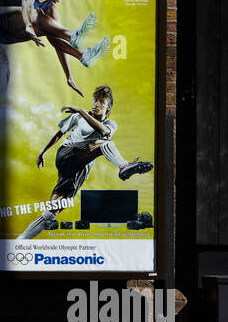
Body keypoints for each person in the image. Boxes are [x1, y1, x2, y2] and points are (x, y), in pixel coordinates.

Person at [19, 84, 153, 240]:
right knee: (105, 143)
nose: (97, 104)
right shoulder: (78, 117)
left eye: (102, 101)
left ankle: (20, 241)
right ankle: (124, 166)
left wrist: (80, 111)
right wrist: (42, 152)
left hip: (77, 171)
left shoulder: (111, 124)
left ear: (108, 107)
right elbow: (59, 133)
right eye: (95, 100)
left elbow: (104, 131)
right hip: (67, 154)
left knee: (51, 212)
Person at [0, 0, 110, 98]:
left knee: (53, 31)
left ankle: (82, 55)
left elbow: (57, 43)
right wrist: (29, 24)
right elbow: (27, 1)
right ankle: (72, 36)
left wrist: (69, 76)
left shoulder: (51, 9)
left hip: (3, 36)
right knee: (36, 15)